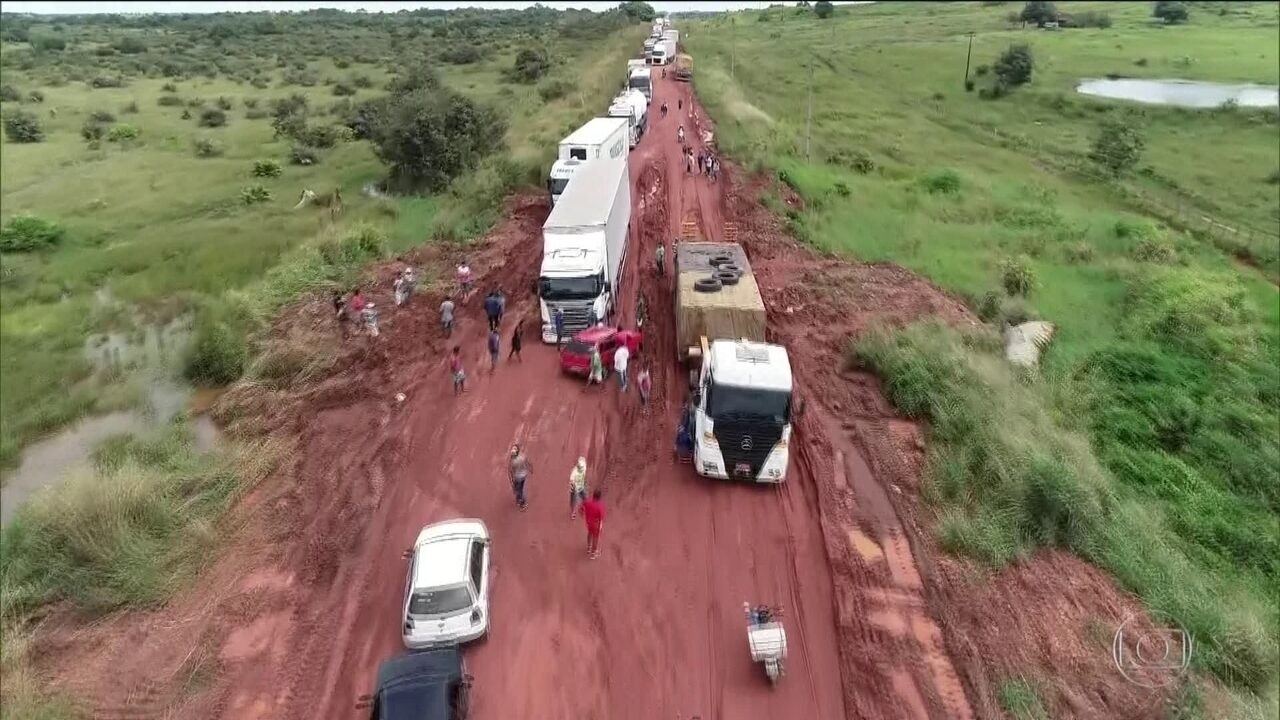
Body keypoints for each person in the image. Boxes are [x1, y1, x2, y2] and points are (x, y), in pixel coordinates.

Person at [582, 490, 605, 560]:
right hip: (596, 524)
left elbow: (581, 508)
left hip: (588, 523)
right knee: (595, 538)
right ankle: (593, 554)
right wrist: (600, 526)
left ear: (593, 495)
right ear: (600, 497)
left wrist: (582, 513)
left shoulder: (587, 502)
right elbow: (601, 517)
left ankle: (588, 548)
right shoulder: (600, 506)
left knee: (589, 533)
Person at [509, 444, 530, 511]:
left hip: (518, 477)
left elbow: (512, 471)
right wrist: (530, 469)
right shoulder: (522, 456)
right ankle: (518, 499)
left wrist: (512, 479)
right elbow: (527, 463)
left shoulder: (514, 462)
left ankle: (523, 503)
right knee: (520, 488)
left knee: (519, 490)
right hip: (524, 476)